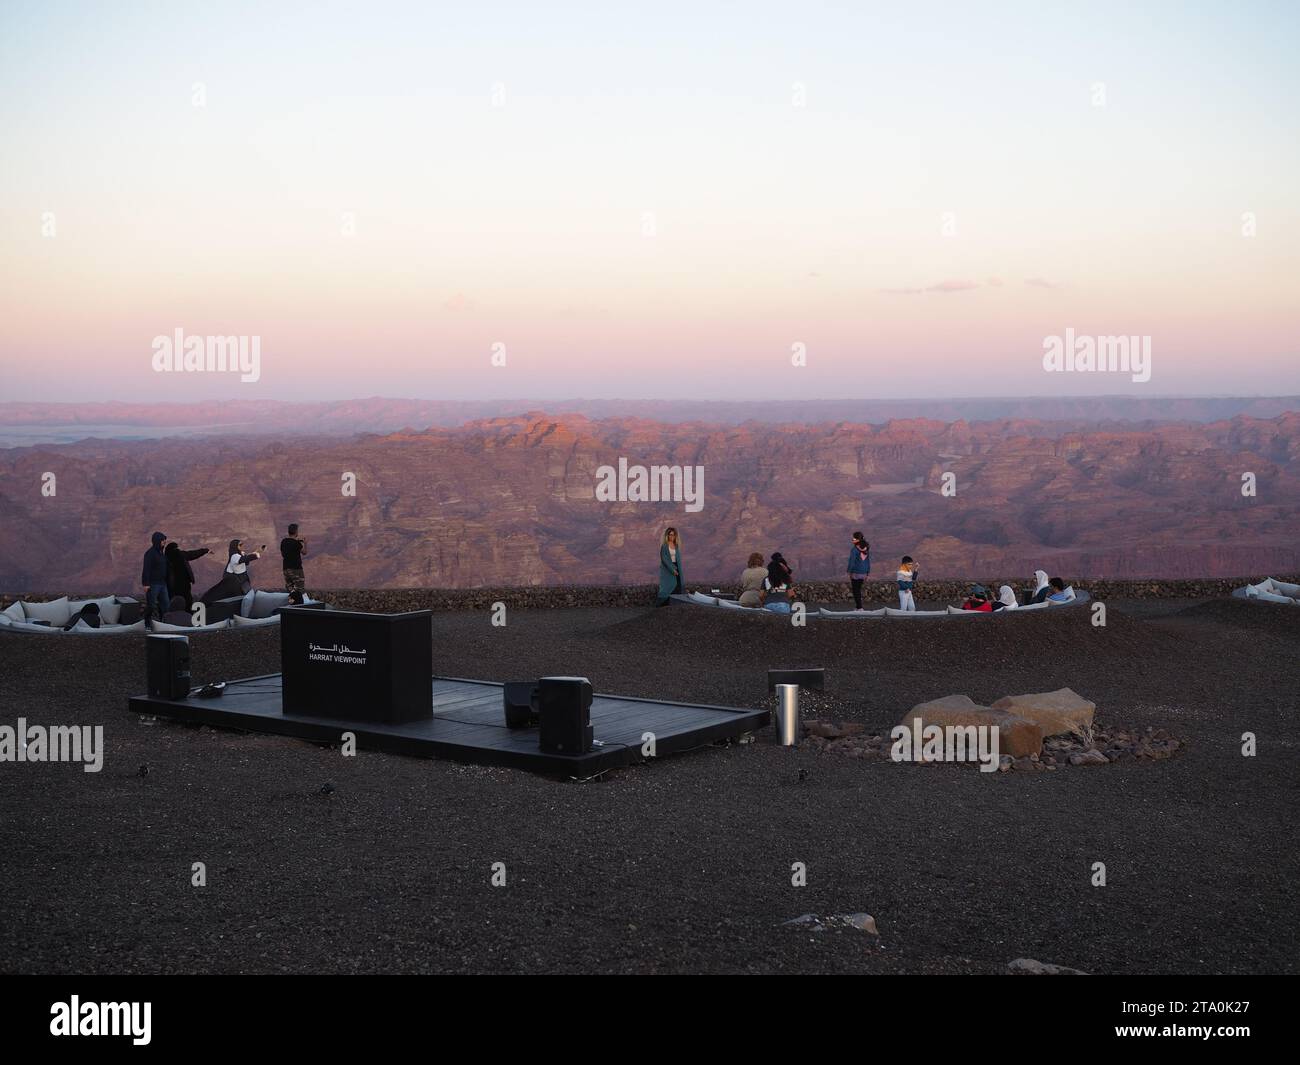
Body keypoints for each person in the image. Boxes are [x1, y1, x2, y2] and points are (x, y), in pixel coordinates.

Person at [201, 538, 265, 604]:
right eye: (240, 545)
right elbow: (243, 559)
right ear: (235, 546)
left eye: (242, 544)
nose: (242, 546)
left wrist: (257, 552)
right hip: (233, 581)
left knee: (244, 594)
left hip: (241, 579)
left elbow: (246, 561)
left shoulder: (240, 555)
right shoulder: (234, 556)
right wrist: (256, 554)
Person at [165, 541, 211, 611]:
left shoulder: (165, 559)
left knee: (174, 601)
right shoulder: (181, 555)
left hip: (173, 585)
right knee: (187, 601)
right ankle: (187, 616)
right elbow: (193, 554)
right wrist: (205, 551)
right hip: (184, 583)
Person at [140, 531, 170, 621]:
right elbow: (146, 569)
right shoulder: (150, 553)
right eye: (162, 540)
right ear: (157, 541)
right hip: (153, 584)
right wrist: (145, 583)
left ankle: (164, 623)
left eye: (165, 540)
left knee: (166, 606)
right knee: (151, 606)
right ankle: (146, 623)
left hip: (162, 584)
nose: (164, 542)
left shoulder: (161, 553)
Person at [280, 523, 307, 602]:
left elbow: (283, 553)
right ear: (296, 532)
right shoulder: (297, 543)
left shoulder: (283, 542)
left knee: (291, 590)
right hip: (296, 569)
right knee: (300, 590)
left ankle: (291, 606)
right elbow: (304, 552)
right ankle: (302, 607)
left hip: (286, 569)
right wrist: (305, 543)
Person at [656, 527, 683, 606]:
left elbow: (678, 559)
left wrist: (678, 569)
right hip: (668, 569)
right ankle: (663, 605)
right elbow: (664, 559)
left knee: (677, 585)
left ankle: (675, 605)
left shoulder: (676, 546)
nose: (672, 537)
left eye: (673, 535)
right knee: (667, 585)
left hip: (676, 566)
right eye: (670, 535)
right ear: (667, 535)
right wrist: (672, 569)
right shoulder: (664, 546)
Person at [846, 532, 871, 609]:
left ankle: (859, 607)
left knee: (856, 591)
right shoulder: (866, 549)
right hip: (864, 573)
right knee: (858, 590)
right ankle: (859, 607)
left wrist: (848, 571)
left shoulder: (854, 550)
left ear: (858, 540)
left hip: (856, 573)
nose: (852, 540)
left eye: (854, 538)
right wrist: (868, 572)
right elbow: (868, 561)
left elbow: (851, 561)